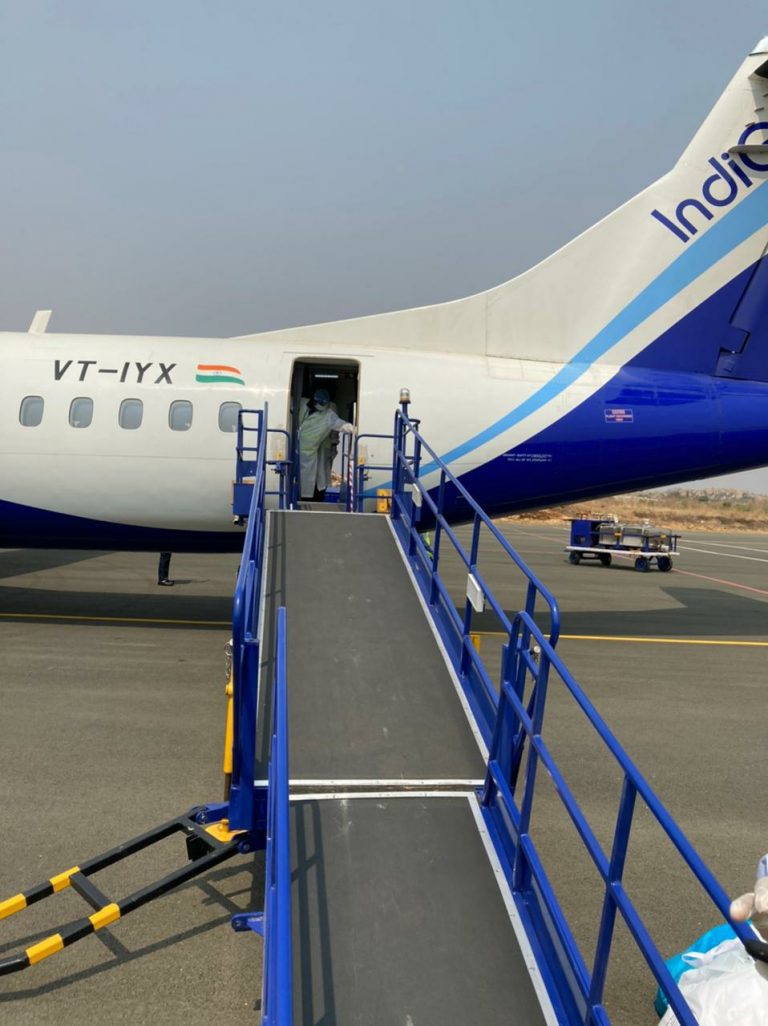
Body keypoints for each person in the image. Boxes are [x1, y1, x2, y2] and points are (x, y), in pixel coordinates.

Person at [297, 388, 354, 500]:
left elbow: (341, 424)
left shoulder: (329, 415)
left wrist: (353, 428)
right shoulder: (303, 404)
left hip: (312, 451)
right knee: (303, 477)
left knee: (316, 477)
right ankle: (303, 496)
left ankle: (311, 498)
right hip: (299, 448)